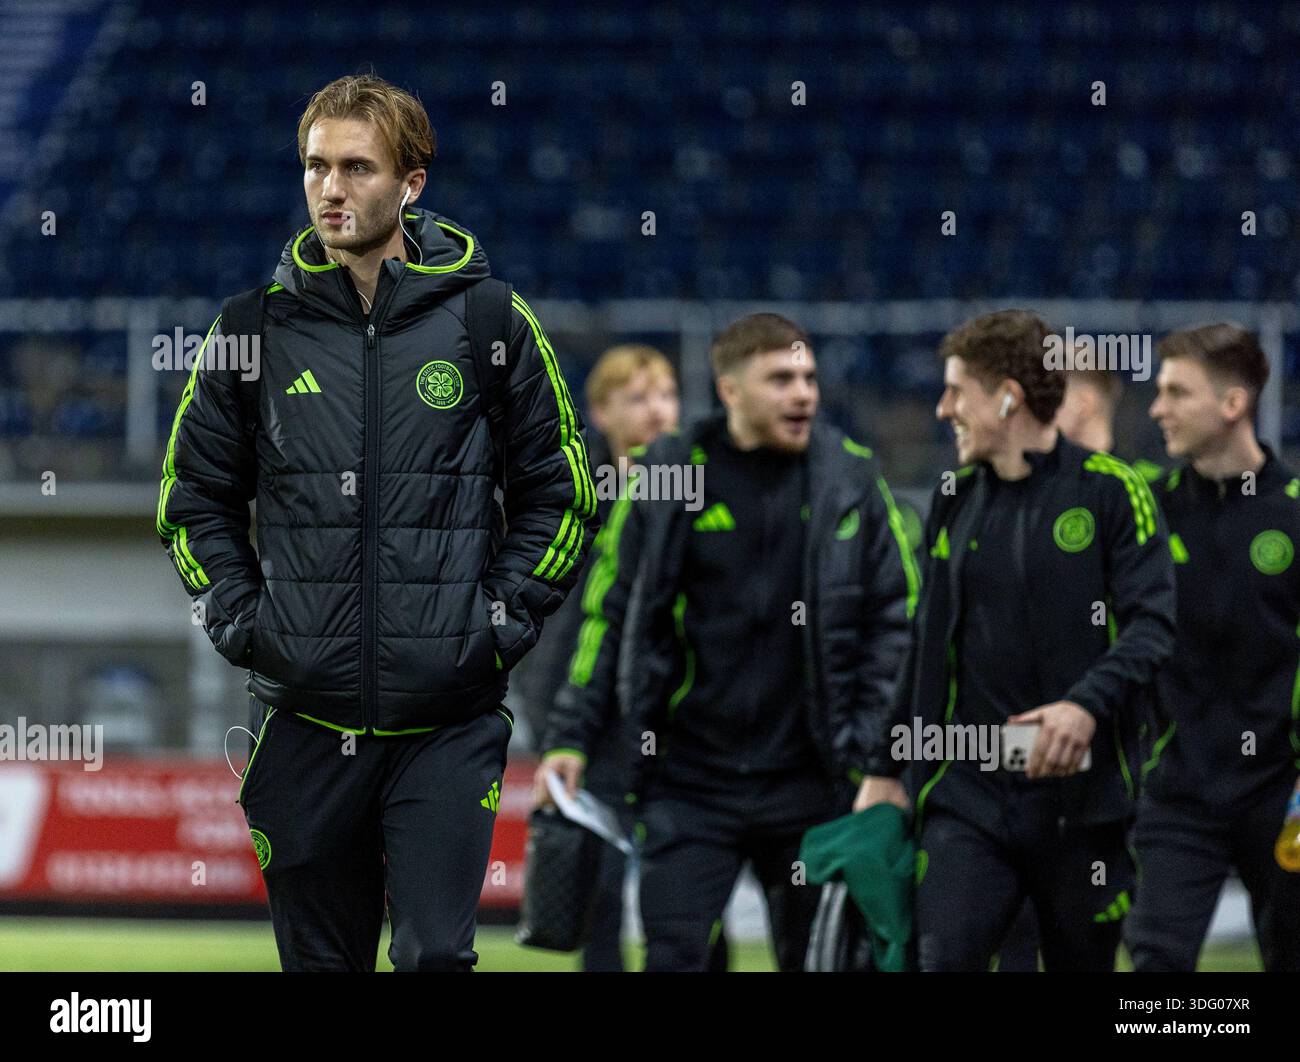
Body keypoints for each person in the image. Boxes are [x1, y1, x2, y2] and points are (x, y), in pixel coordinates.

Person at [156, 74, 598, 971]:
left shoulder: (490, 320)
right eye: (315, 166)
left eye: (357, 167)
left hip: (446, 715)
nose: (330, 188)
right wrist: (247, 625)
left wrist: (497, 624)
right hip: (302, 716)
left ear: (412, 183)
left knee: (437, 957)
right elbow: (191, 499)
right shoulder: (249, 330)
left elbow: (565, 492)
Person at [541, 312, 917, 971]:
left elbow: (898, 621)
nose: (803, 393)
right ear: (730, 389)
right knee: (676, 956)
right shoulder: (666, 474)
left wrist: (876, 753)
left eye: (807, 377)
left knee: (822, 961)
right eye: (780, 379)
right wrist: (570, 736)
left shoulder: (849, 479)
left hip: (813, 784)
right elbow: (610, 611)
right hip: (688, 785)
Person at [864, 309, 1175, 971]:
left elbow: (1154, 629)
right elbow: (926, 641)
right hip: (967, 797)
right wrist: (884, 767)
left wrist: (1084, 706)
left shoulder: (1113, 492)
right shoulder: (955, 495)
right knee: (941, 959)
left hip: (1082, 809)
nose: (944, 408)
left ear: (1007, 395)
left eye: (956, 391)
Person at [1126, 323, 1300, 971]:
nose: (1156, 408)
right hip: (1178, 791)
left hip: (1284, 795)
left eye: (1176, 392)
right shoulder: (1148, 513)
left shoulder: (1294, 514)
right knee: (1155, 963)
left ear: (1233, 405)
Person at [520, 343, 679, 971]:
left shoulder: (692, 497)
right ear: (600, 412)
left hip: (675, 725)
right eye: (637, 398)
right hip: (592, 729)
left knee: (687, 896)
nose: (657, 411)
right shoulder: (571, 506)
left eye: (666, 395)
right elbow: (552, 629)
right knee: (600, 897)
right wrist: (556, 727)